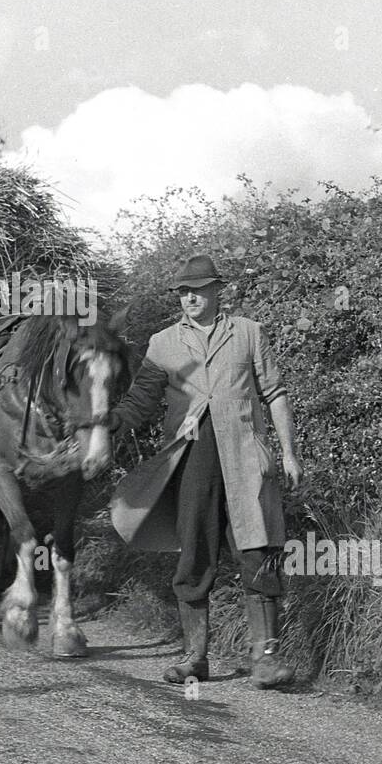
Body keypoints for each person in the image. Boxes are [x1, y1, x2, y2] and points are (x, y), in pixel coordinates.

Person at [108, 253, 303, 687]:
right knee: (195, 553)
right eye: (182, 292)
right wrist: (109, 423)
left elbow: (275, 393)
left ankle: (266, 660)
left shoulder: (249, 333)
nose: (188, 298)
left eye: (196, 290)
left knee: (258, 549)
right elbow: (140, 401)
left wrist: (288, 452)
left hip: (247, 461)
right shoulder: (163, 343)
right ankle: (195, 657)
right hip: (191, 460)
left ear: (218, 291)